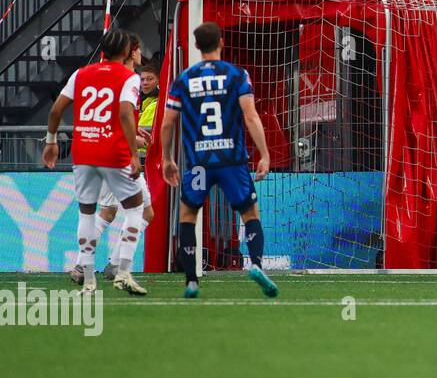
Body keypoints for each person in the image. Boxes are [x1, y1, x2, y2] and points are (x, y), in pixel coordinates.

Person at [158, 21, 277, 299]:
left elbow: (168, 123)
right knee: (249, 214)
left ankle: (191, 281)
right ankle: (257, 264)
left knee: (188, 216)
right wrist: (265, 153)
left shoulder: (184, 79)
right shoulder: (237, 75)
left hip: (199, 161)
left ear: (197, 46)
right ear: (221, 42)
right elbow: (250, 116)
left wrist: (166, 158)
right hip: (232, 159)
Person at [41, 29, 149, 296]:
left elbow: (56, 110)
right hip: (113, 153)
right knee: (137, 209)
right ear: (126, 51)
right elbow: (125, 112)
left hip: (84, 152)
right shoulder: (129, 77)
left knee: (86, 213)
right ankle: (122, 271)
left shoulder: (81, 74)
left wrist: (51, 141)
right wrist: (134, 153)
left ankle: (88, 277)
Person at [73, 36, 157, 288]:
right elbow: (120, 116)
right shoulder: (125, 78)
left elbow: (120, 116)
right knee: (124, 212)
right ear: (131, 52)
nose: (142, 53)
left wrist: (136, 133)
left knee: (135, 212)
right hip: (117, 156)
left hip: (105, 152)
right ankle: (102, 264)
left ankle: (108, 263)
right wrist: (134, 146)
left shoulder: (118, 78)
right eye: (139, 49)